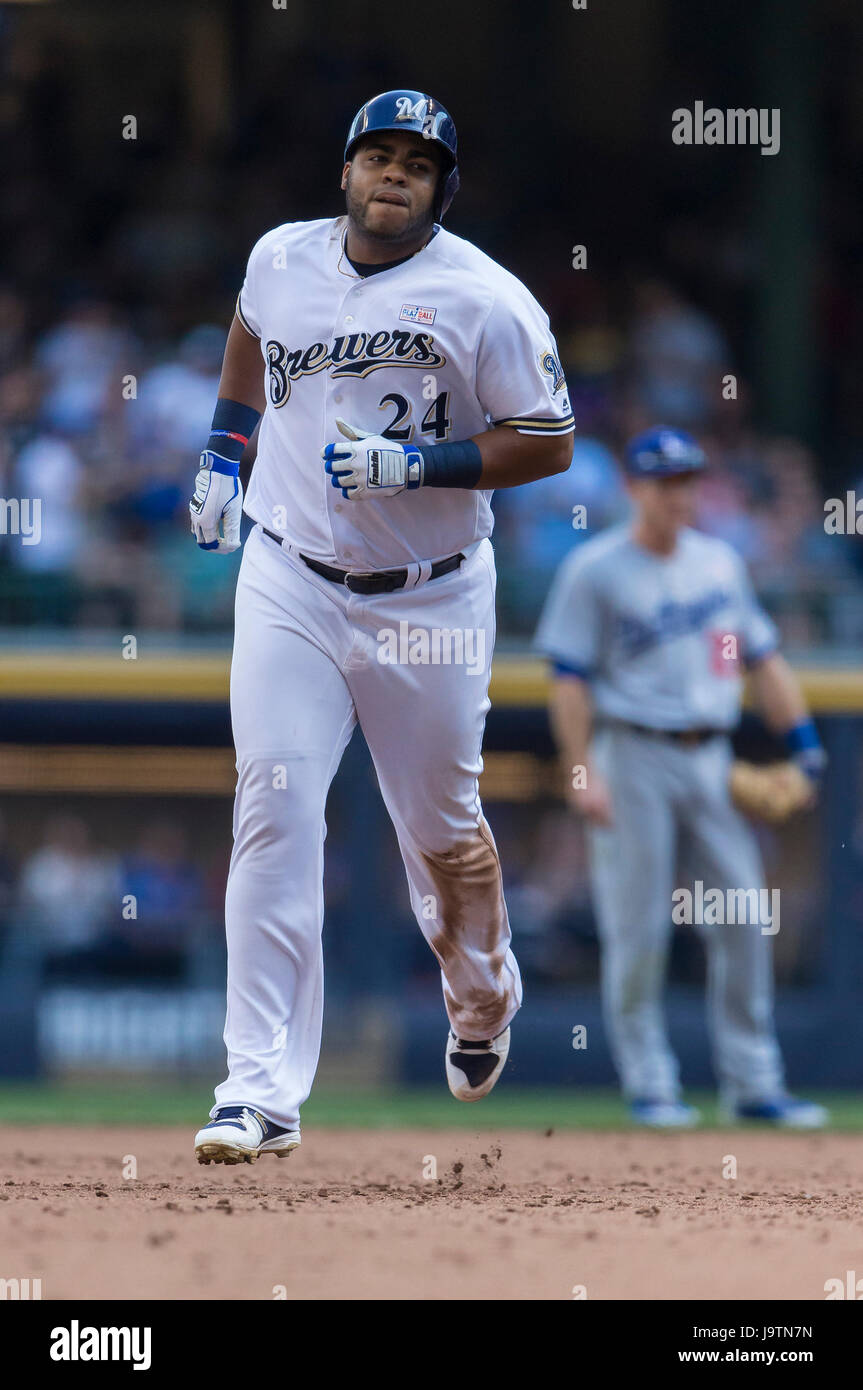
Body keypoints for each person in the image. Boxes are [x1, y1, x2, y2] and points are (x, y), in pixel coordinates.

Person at [188, 90, 574, 1164]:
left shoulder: (484, 298)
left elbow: (549, 440)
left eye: (417, 161)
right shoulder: (279, 259)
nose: (393, 174)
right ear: (346, 171)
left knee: (441, 835)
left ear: (442, 187)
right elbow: (248, 344)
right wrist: (224, 455)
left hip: (430, 591)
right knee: (271, 812)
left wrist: (420, 463)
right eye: (377, 155)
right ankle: (257, 1089)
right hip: (290, 578)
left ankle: (481, 997)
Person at [535, 426, 828, 1129]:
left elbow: (762, 658)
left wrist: (805, 747)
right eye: (664, 481)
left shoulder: (718, 564)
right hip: (629, 751)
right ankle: (649, 1085)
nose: (679, 493)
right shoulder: (595, 568)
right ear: (634, 488)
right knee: (637, 928)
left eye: (687, 479)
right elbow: (567, 681)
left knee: (743, 915)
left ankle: (754, 1084)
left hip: (709, 755)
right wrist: (580, 771)